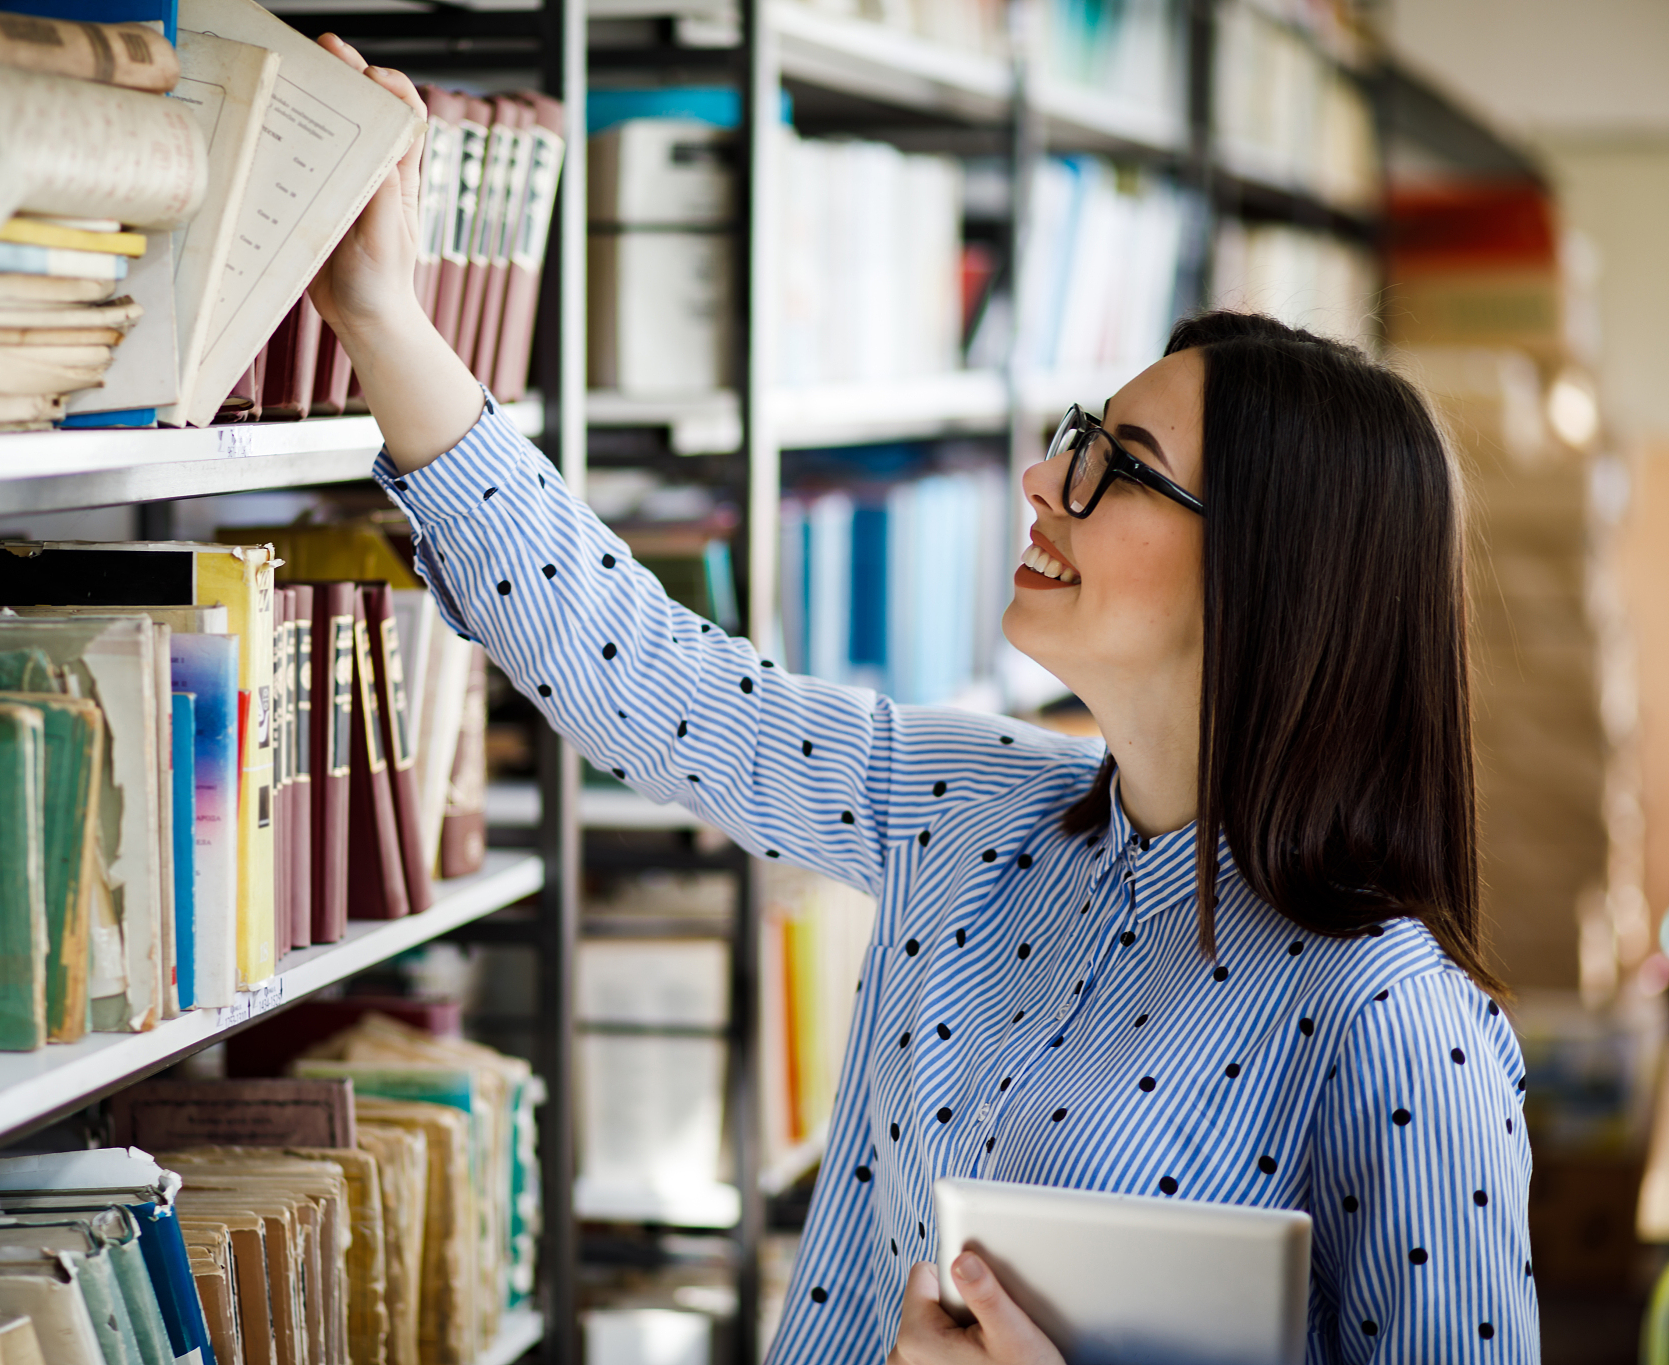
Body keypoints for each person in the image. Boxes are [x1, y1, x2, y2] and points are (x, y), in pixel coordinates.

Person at [306, 36, 1537, 1363]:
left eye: (1119, 466)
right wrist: (381, 310)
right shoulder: (974, 804)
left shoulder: (1398, 1024)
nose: (1043, 478)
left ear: (1273, 570)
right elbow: (651, 680)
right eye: (1080, 430)